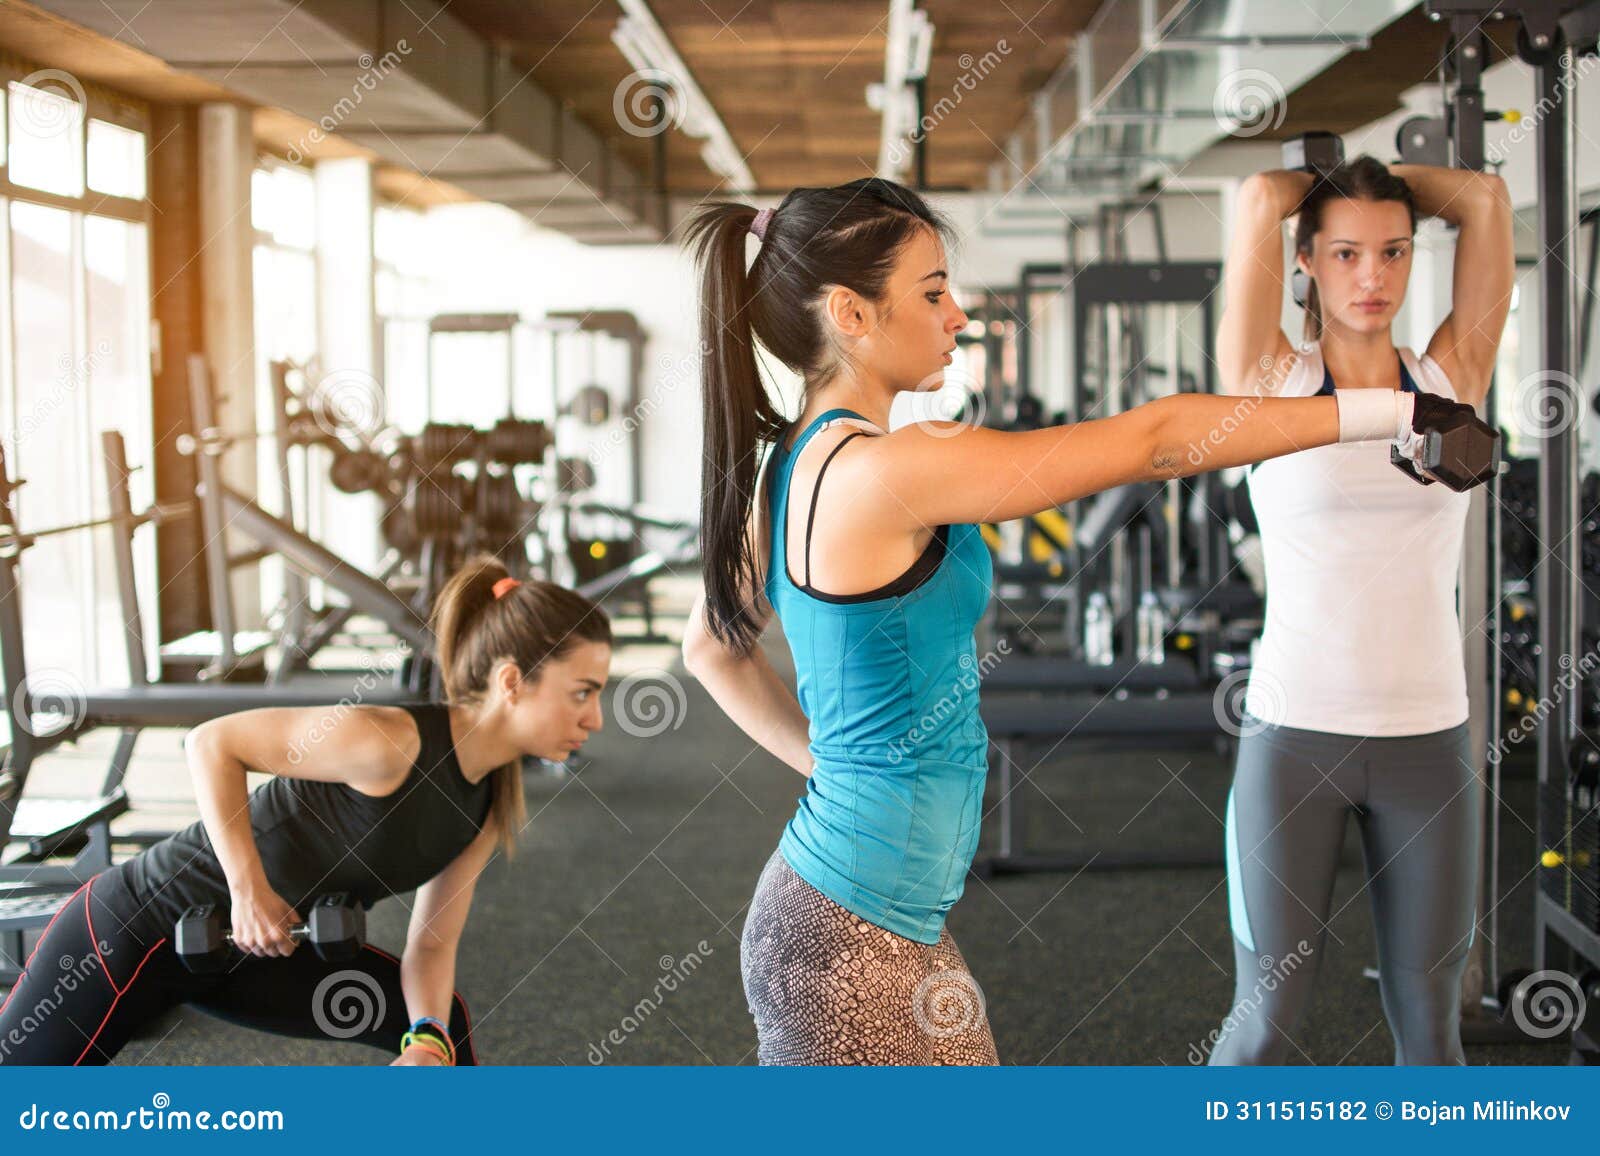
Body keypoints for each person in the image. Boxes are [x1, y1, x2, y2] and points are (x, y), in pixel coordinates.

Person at [678, 176, 1492, 1065]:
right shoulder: (895, 468)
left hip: (863, 914)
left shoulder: (790, 466)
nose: (956, 316)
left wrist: (836, 769)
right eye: (933, 291)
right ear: (851, 313)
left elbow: (709, 649)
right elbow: (1157, 441)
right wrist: (1401, 411)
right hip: (848, 938)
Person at [0, 557, 610, 1066]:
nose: (595, 719)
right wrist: (247, 890)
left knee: (440, 1024)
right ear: (512, 681)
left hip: (240, 958)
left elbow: (431, 945)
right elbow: (212, 744)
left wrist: (425, 1040)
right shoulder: (388, 742)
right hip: (134, 927)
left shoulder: (486, 801)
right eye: (582, 692)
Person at [1205, 156, 1513, 1065]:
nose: (1372, 276)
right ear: (1304, 261)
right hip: (1295, 737)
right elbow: (1260, 195)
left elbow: (1488, 200)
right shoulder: (1268, 384)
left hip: (1429, 742)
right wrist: (1331, 170)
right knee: (1265, 1026)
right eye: (1343, 253)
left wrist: (1389, 180)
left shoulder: (1450, 376)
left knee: (1431, 1030)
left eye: (1393, 251)